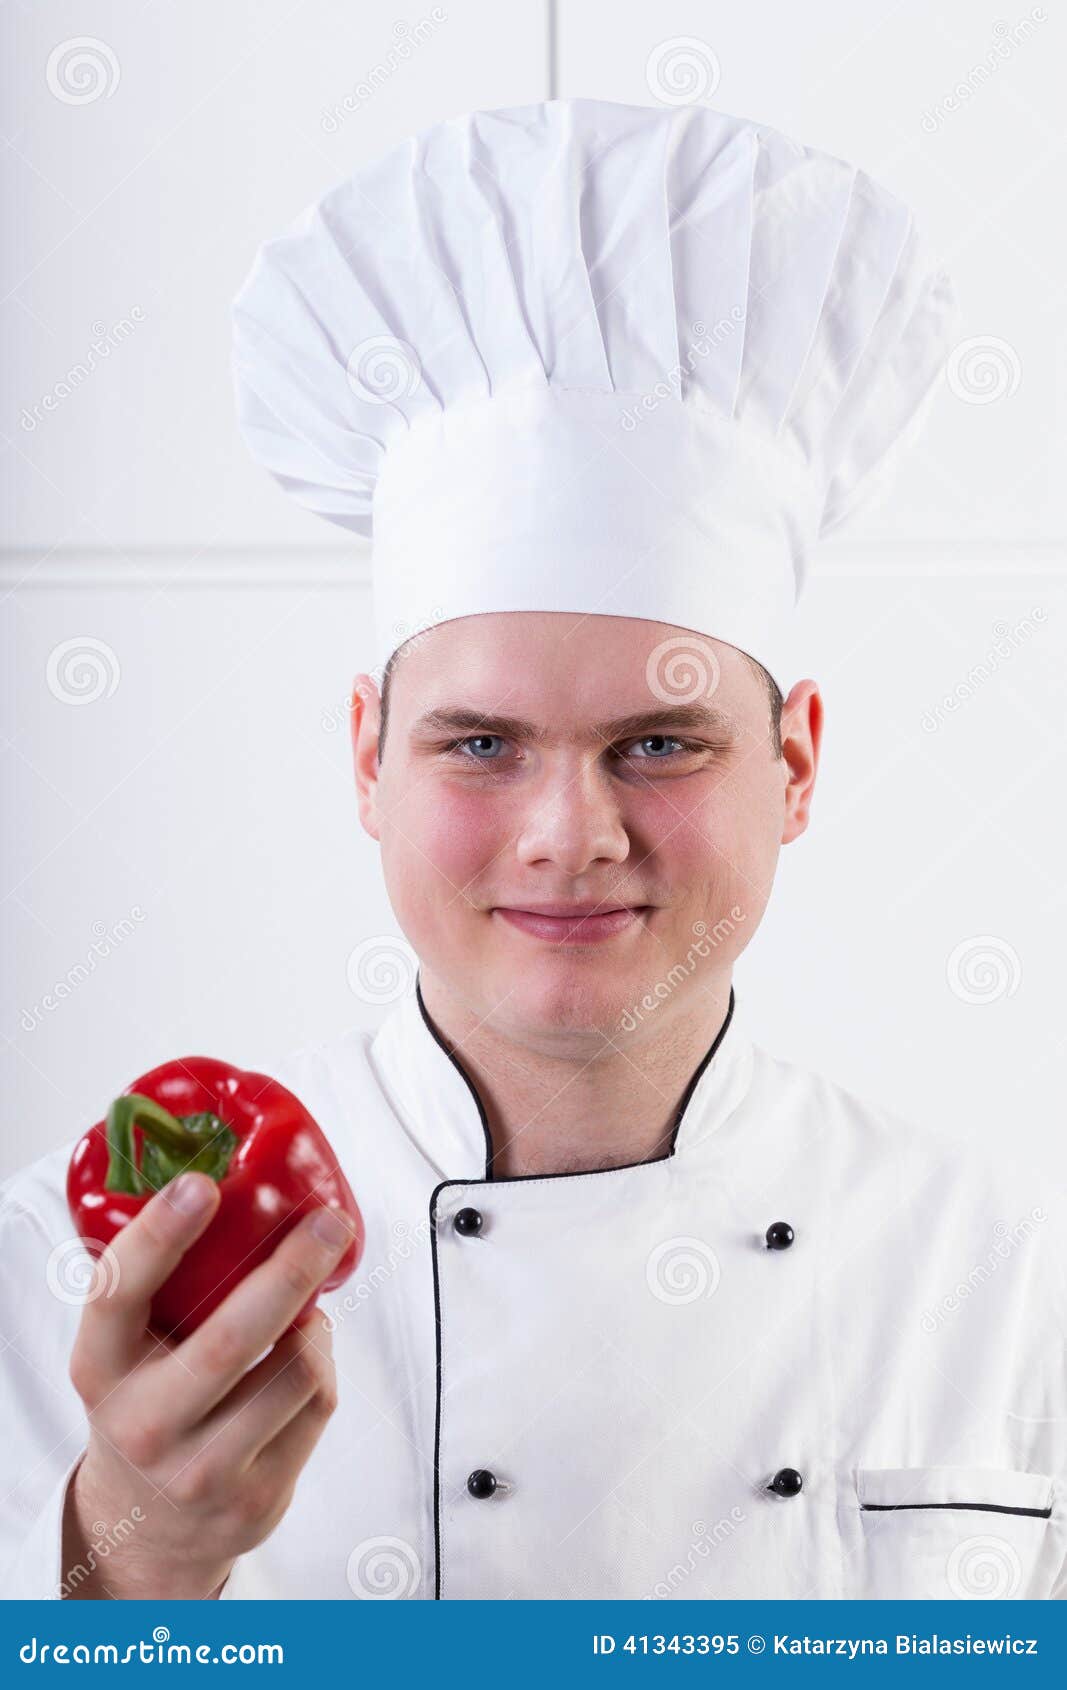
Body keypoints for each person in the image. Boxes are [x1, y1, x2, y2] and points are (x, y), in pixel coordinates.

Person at [2, 97, 1064, 1603]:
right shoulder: (68, 1264)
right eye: (482, 744)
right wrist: (129, 1568)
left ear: (799, 762)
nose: (573, 837)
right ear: (369, 756)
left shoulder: (1008, 1278)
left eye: (662, 740)